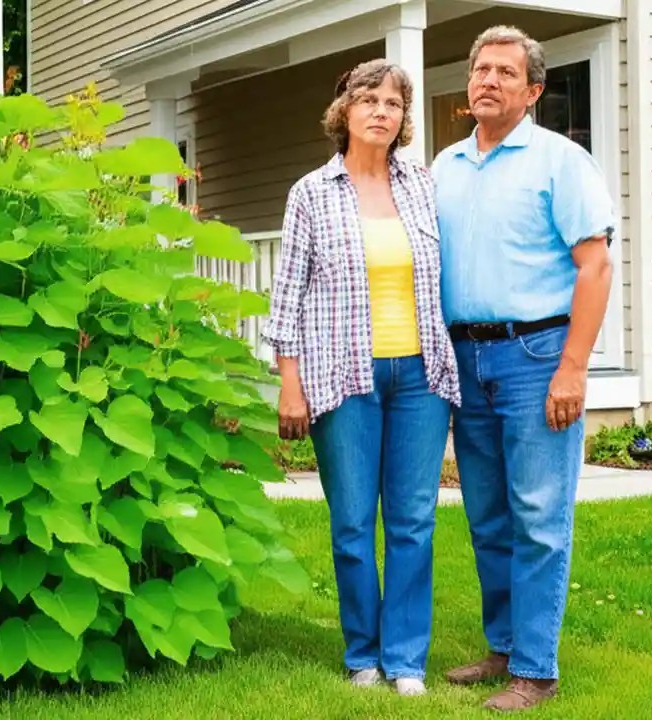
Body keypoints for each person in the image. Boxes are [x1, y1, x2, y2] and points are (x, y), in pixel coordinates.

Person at [430, 26, 615, 712]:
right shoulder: (444, 165)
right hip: (464, 357)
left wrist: (573, 368)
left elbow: (594, 266)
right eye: (481, 68)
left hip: (538, 356)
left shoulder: (561, 161)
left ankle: (537, 670)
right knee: (488, 516)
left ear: (533, 90)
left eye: (506, 72)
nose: (488, 80)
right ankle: (503, 647)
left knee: (538, 515)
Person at [262, 59, 460, 698]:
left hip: (422, 375)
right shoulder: (311, 193)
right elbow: (287, 296)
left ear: (404, 119)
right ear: (343, 111)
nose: (382, 111)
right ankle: (362, 655)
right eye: (369, 100)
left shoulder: (423, 187)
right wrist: (288, 382)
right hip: (341, 377)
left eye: (395, 103)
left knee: (412, 521)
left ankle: (405, 662)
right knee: (352, 523)